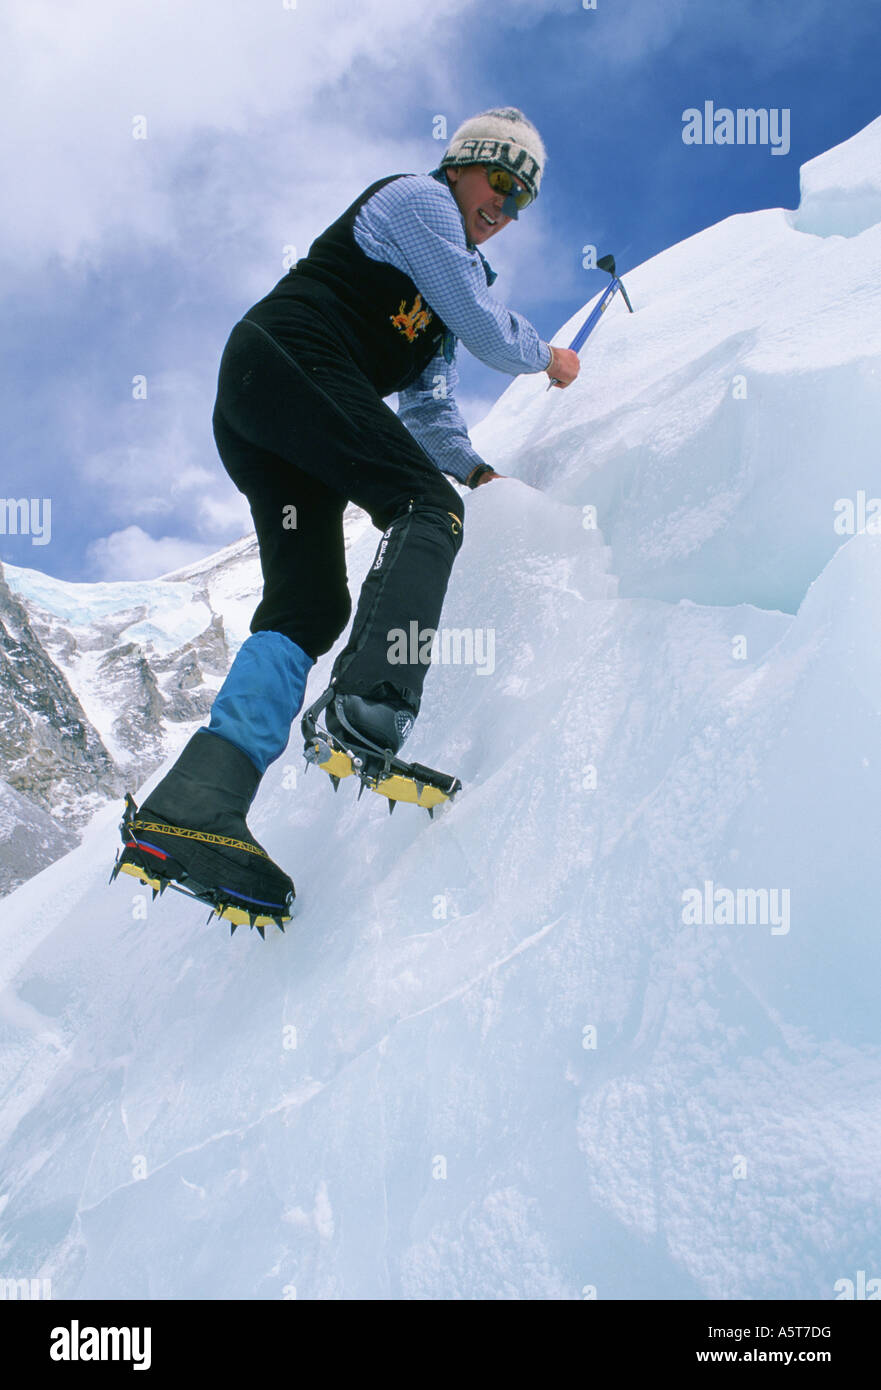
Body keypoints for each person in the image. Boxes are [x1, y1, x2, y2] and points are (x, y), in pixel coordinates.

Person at [114, 106, 580, 930]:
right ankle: (365, 706)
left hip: (275, 414)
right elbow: (483, 327)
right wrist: (548, 357)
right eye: (500, 181)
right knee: (422, 507)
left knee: (309, 607)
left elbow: (430, 410)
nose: (504, 207)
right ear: (462, 165)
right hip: (286, 359)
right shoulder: (419, 203)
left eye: (522, 199)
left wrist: (476, 470)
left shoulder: (447, 288)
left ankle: (197, 801)